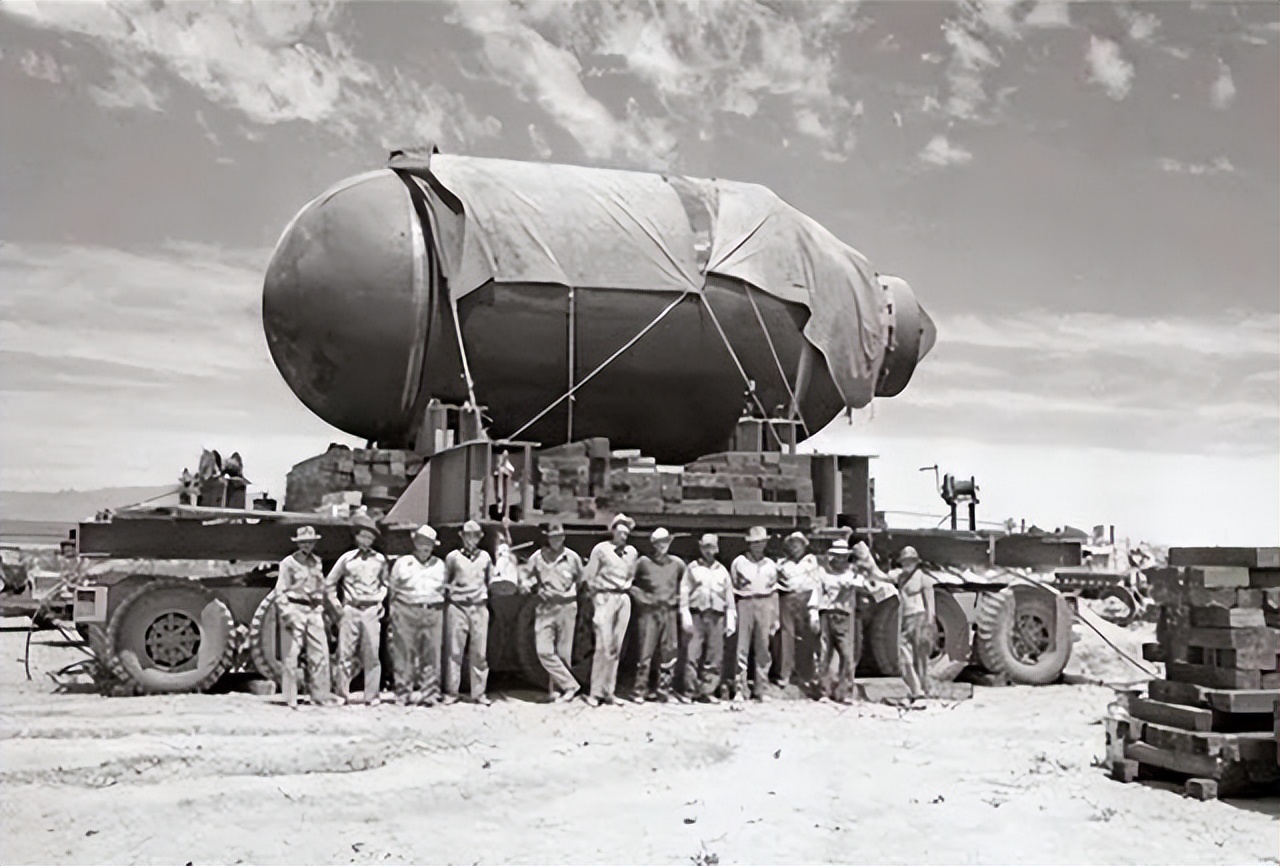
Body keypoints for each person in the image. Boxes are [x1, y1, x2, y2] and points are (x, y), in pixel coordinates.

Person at [273, 526, 341, 708]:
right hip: (295, 607)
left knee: (320, 653)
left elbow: (320, 587)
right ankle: (290, 697)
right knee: (292, 655)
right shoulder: (288, 563)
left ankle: (319, 695)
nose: (307, 545)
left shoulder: (316, 562)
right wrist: (287, 613)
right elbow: (280, 591)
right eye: (303, 542)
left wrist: (321, 608)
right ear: (297, 543)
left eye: (310, 542)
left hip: (313, 610)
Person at [325, 513, 389, 706]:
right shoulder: (347, 559)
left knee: (372, 654)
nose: (366, 541)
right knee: (345, 654)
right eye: (363, 536)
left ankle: (372, 695)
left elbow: (385, 583)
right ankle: (341, 694)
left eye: (370, 537)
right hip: (351, 610)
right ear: (356, 537)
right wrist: (337, 607)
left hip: (370, 610)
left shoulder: (380, 560)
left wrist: (380, 602)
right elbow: (329, 583)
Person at [521, 522, 585, 703]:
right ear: (548, 538)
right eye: (552, 537)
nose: (556, 540)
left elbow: (581, 580)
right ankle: (571, 685)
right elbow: (525, 575)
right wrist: (527, 584)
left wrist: (569, 595)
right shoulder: (538, 557)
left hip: (567, 607)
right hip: (545, 607)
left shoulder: (572, 558)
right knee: (544, 651)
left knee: (563, 653)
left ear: (563, 538)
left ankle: (558, 690)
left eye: (559, 536)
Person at [581, 513, 639, 706]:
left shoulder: (632, 552)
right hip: (605, 596)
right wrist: (596, 598)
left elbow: (632, 575)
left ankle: (609, 691)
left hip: (623, 597)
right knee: (602, 646)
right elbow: (589, 575)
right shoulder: (601, 550)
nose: (623, 534)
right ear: (613, 530)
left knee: (616, 647)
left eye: (626, 531)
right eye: (620, 530)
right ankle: (595, 692)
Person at [387, 524, 447, 706]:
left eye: (429, 543)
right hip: (406, 610)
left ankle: (430, 693)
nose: (425, 547)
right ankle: (402, 693)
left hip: (433, 611)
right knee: (403, 653)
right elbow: (393, 589)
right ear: (415, 543)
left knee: (432, 654)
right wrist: (395, 612)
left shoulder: (440, 565)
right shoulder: (402, 563)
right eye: (422, 542)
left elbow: (446, 589)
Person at [629, 527, 685, 703]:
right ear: (653, 544)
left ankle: (663, 690)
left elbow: (685, 586)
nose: (663, 546)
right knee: (645, 652)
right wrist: (643, 599)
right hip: (649, 613)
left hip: (668, 612)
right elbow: (630, 584)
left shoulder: (677, 563)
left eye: (666, 542)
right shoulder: (643, 562)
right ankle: (639, 690)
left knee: (669, 652)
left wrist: (677, 599)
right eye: (659, 543)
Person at [679, 533, 736, 703]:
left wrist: (731, 617)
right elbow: (684, 590)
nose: (708, 551)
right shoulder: (692, 568)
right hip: (697, 614)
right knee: (692, 653)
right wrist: (685, 613)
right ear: (700, 548)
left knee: (715, 655)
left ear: (717, 549)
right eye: (705, 547)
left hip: (717, 615)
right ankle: (690, 691)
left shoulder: (722, 571)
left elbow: (729, 595)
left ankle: (708, 690)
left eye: (711, 547)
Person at [443, 520, 494, 706]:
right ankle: (452, 692)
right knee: (454, 652)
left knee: (479, 653)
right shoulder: (453, 557)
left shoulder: (486, 558)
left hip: (479, 607)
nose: (471, 539)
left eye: (475, 535)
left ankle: (479, 693)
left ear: (479, 538)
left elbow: (491, 581)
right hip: (458, 607)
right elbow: (445, 581)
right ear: (462, 537)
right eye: (467, 535)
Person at [807, 539, 863, 704]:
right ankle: (824, 691)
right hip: (826, 613)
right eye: (837, 556)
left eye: (842, 556)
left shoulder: (852, 573)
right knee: (824, 653)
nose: (839, 559)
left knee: (847, 654)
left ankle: (845, 691)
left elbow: (862, 584)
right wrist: (813, 613)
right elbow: (816, 591)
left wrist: (852, 584)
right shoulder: (823, 572)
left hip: (844, 614)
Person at [730, 526, 780, 701]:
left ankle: (761, 689)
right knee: (741, 648)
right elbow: (734, 587)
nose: (758, 545)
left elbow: (774, 591)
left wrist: (775, 615)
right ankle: (739, 688)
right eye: (755, 543)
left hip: (765, 603)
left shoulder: (771, 565)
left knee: (763, 648)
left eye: (761, 542)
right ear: (749, 544)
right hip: (745, 601)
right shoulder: (739, 562)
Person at [774, 531, 821, 688]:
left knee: (806, 638)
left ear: (804, 546)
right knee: (787, 636)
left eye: (798, 544)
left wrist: (814, 608)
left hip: (806, 599)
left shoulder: (811, 562)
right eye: (792, 544)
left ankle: (806, 675)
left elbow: (816, 585)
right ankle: (785, 674)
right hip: (788, 598)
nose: (795, 547)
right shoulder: (781, 564)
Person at [889, 546, 935, 699]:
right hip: (905, 619)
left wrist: (929, 624)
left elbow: (930, 604)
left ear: (916, 562)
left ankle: (923, 689)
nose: (907, 564)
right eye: (904, 561)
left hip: (919, 618)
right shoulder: (901, 578)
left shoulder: (924, 579)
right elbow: (883, 577)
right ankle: (916, 689)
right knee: (904, 657)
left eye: (910, 561)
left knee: (921, 657)